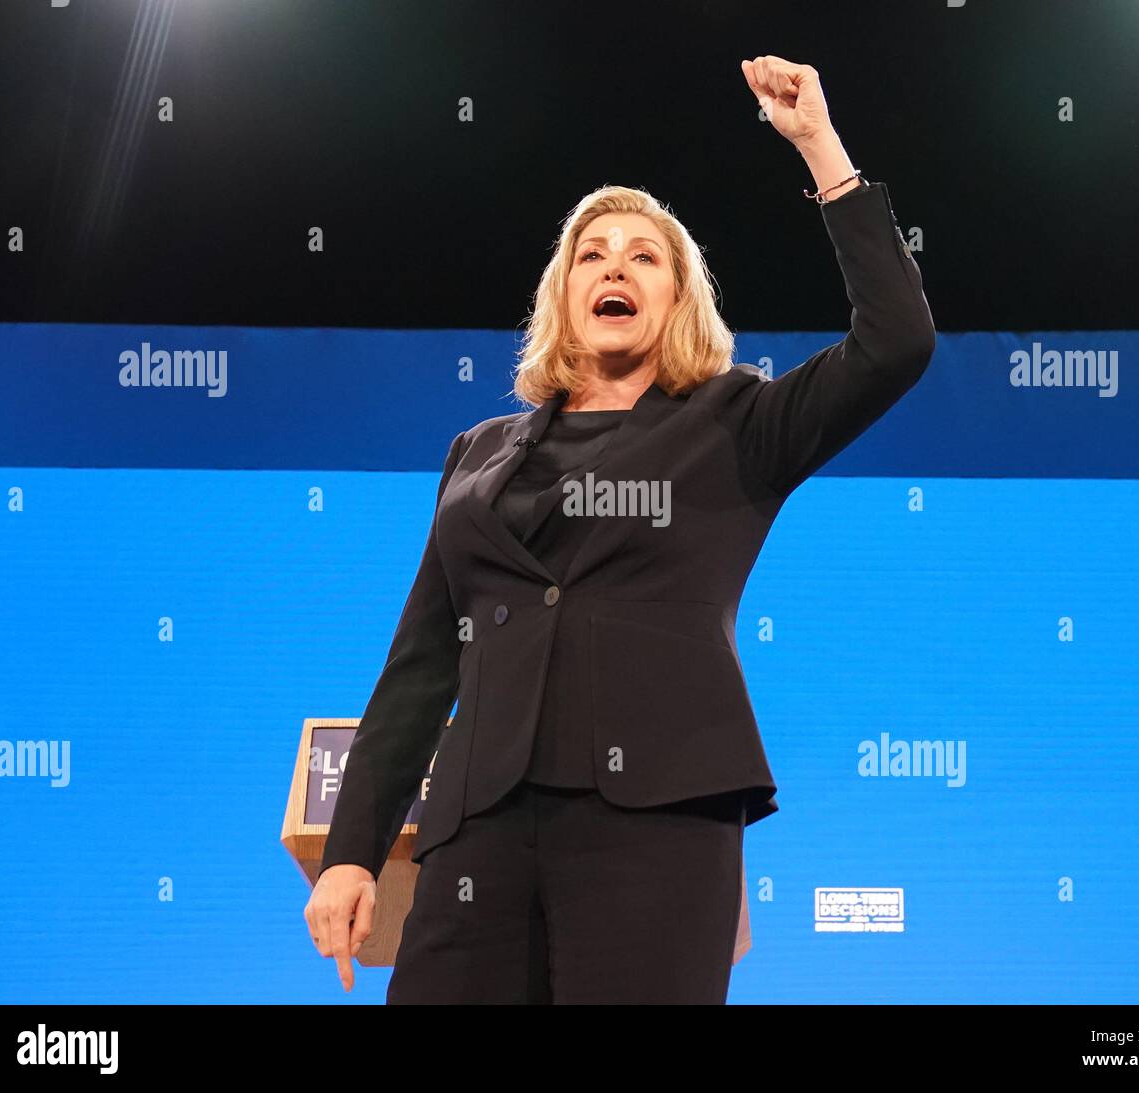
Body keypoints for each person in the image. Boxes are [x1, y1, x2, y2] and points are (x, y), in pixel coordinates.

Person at [305, 54, 935, 1003]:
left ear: (678, 300)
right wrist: (350, 855)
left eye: (644, 256)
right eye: (593, 255)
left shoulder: (736, 424)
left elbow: (896, 344)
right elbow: (422, 665)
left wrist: (821, 151)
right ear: (563, 299)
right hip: (478, 828)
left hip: (658, 827)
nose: (615, 266)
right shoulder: (477, 452)